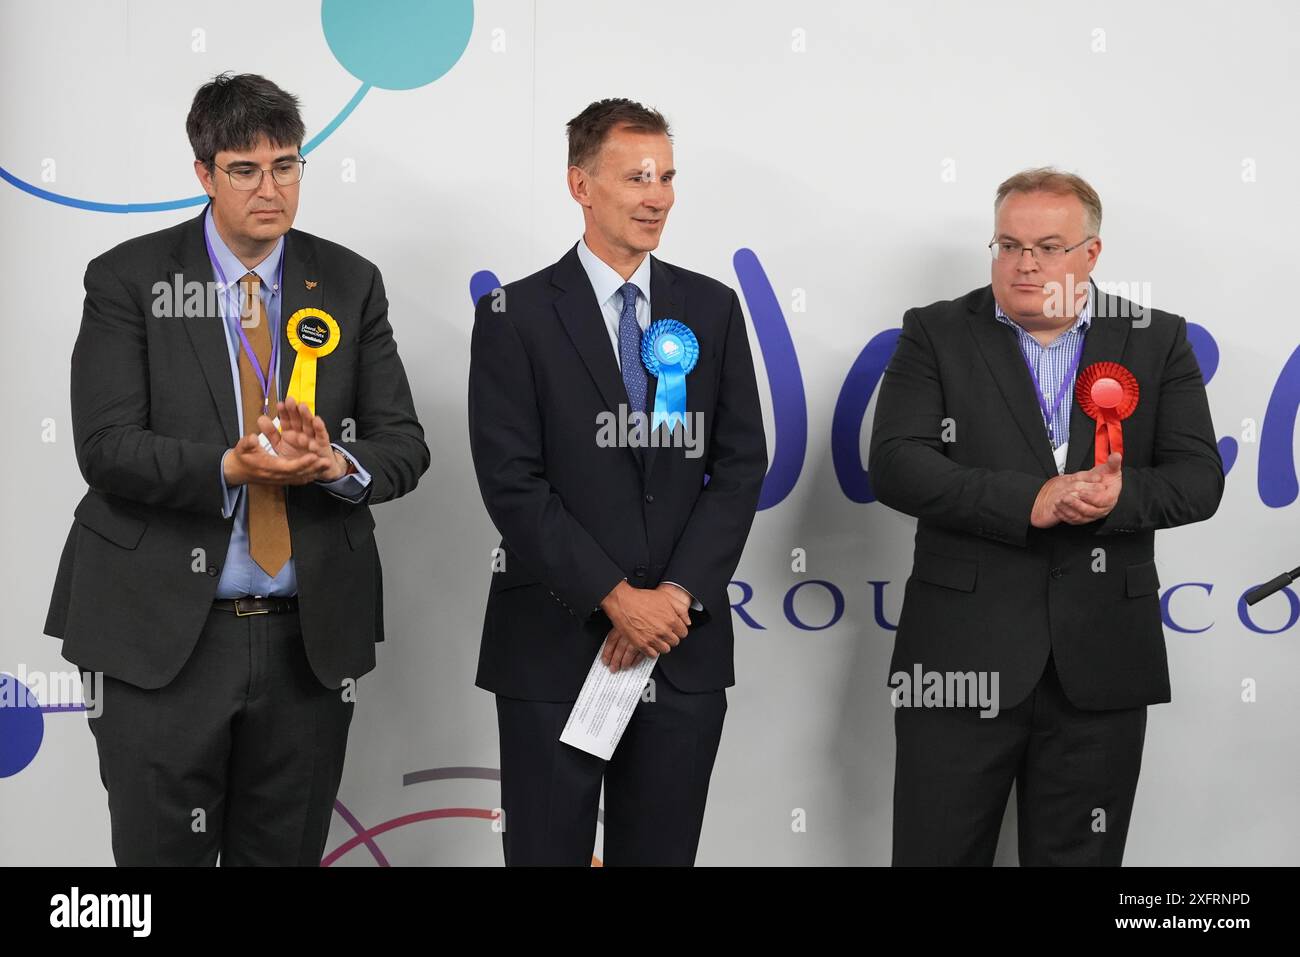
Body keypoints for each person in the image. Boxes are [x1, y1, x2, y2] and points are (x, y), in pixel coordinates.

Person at [44, 73, 429, 866]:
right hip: (161, 647)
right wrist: (229, 464)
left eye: (286, 165)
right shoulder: (129, 278)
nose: (270, 188)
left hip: (306, 647)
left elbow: (403, 444)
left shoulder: (350, 282)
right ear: (204, 174)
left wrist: (334, 462)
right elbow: (106, 445)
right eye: (245, 169)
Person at [869, 167, 1223, 865]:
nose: (1024, 262)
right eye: (1007, 244)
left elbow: (1198, 479)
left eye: (1047, 246)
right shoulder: (935, 332)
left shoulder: (1157, 339)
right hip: (957, 661)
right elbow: (898, 463)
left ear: (1091, 253)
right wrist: (1028, 500)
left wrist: (1118, 498)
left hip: (1102, 665)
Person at [467, 98, 768, 865]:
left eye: (667, 176)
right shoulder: (515, 314)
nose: (657, 195)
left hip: (681, 643)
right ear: (581, 184)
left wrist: (672, 598)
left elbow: (739, 466)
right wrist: (614, 596)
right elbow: (512, 483)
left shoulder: (712, 308)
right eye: (636, 176)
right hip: (553, 648)